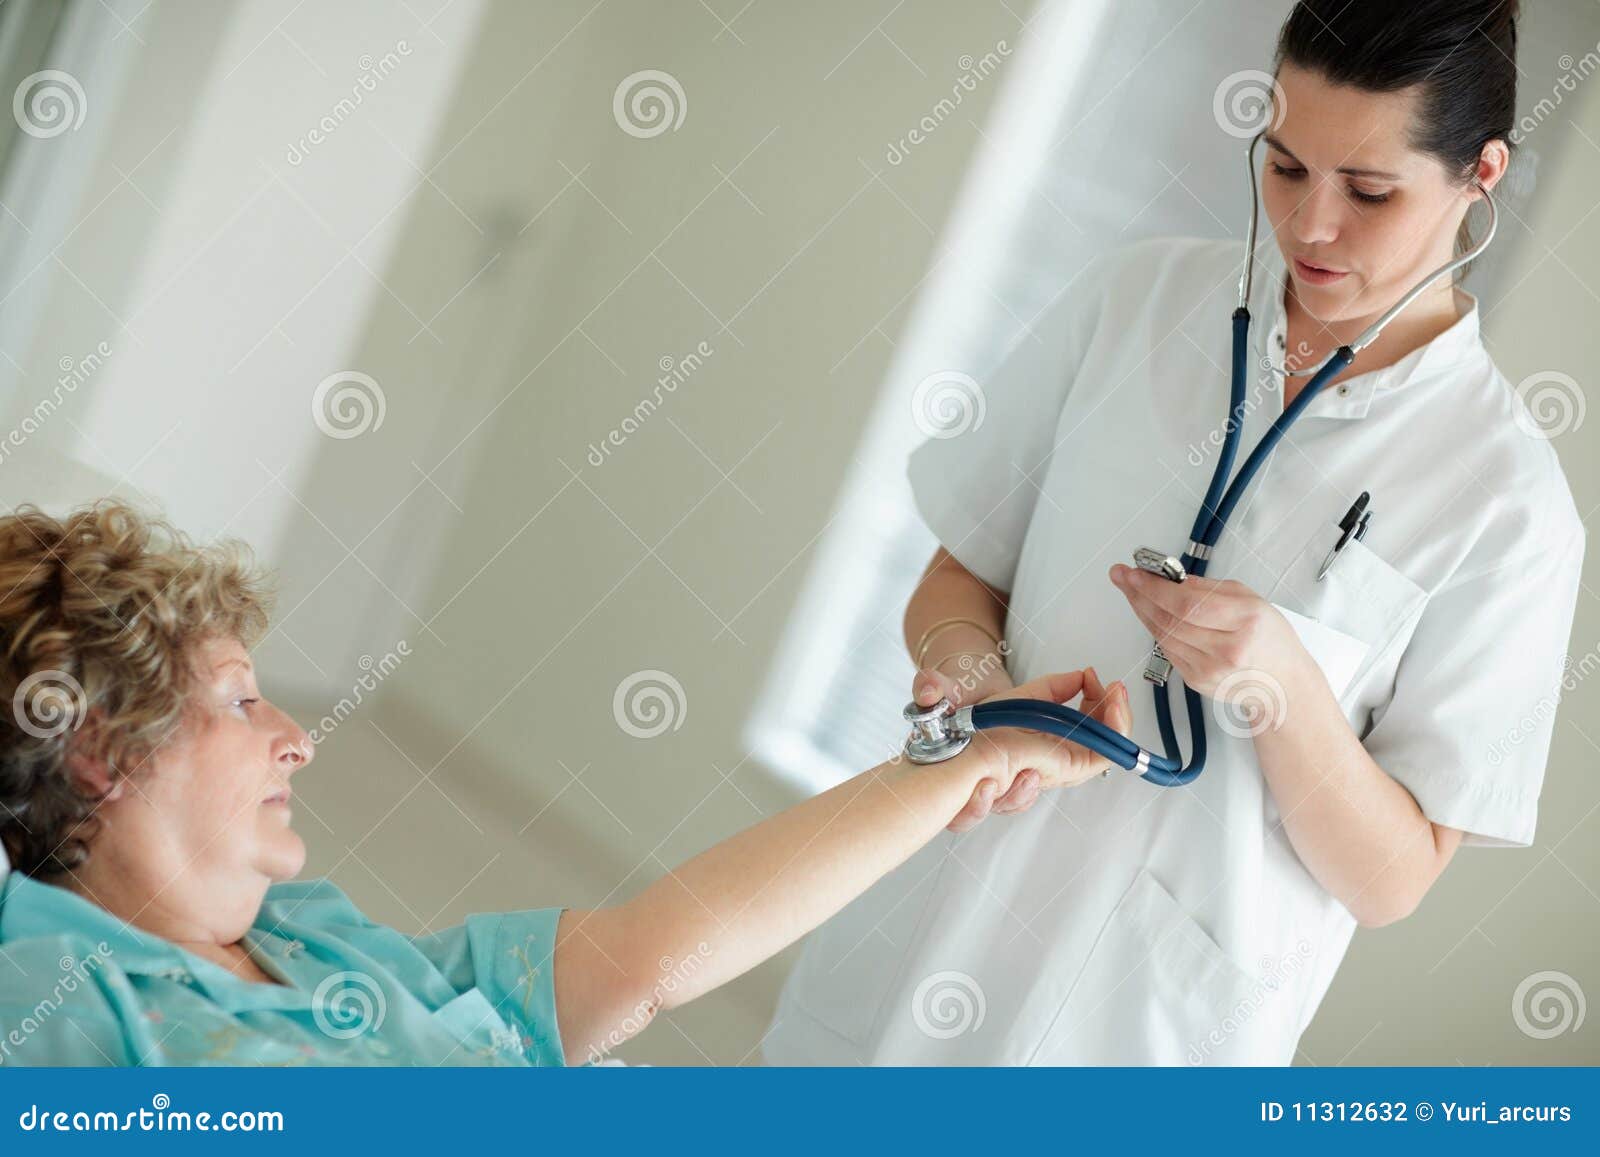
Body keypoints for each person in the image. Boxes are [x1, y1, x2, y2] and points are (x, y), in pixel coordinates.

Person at [764, 0, 1585, 1065]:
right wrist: (968, 681)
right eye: (1284, 166)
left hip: (1145, 1032)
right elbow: (960, 575)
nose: (1310, 226)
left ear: (1480, 175)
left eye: (1369, 191)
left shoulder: (1505, 504)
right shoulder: (1138, 299)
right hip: (920, 936)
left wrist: (1283, 684)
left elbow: (1392, 877)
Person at [0, 499, 1131, 1066]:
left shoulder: (316, 940)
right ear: (105, 749)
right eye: (243, 699)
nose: (298, 737)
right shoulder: (49, 995)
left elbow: (644, 958)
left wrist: (965, 759)